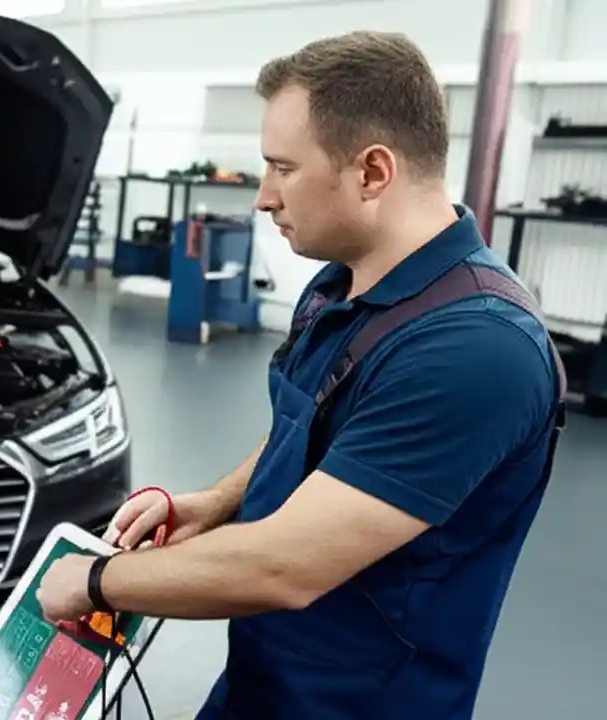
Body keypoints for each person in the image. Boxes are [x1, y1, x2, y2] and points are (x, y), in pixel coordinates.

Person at [35, 30, 566, 719]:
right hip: (261, 683)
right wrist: (218, 501)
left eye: (282, 168)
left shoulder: (476, 349)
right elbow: (309, 423)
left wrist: (97, 581)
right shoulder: (340, 286)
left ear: (372, 172)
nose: (263, 198)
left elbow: (284, 566)